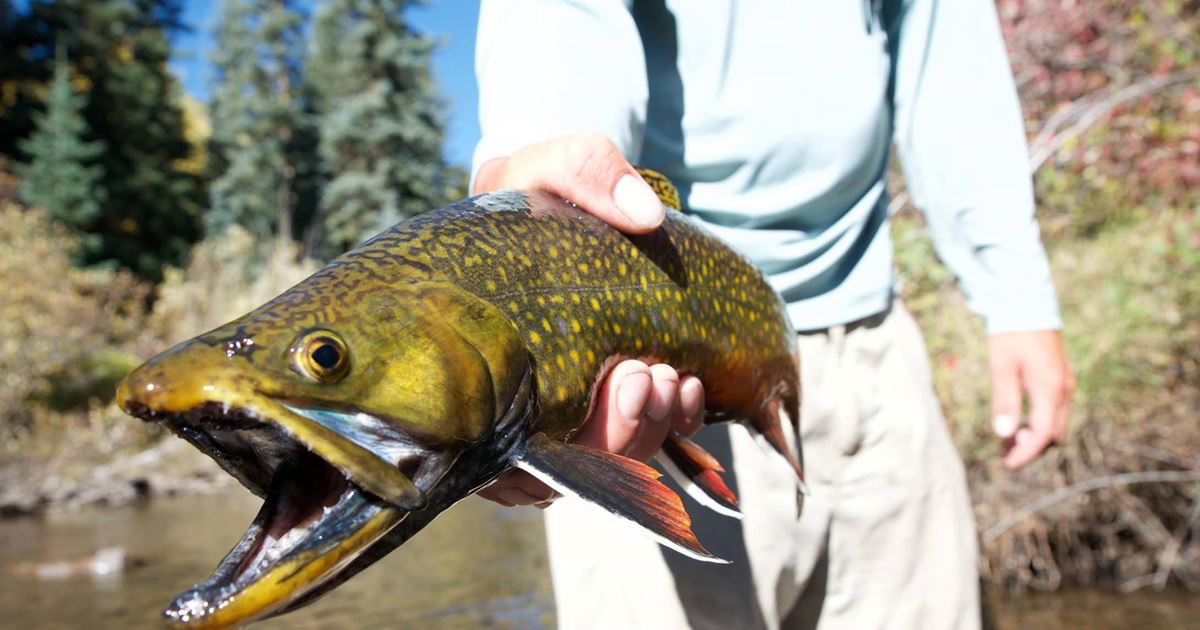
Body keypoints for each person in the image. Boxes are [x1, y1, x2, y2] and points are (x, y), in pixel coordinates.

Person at [470, 1, 1075, 629]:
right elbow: (556, 25)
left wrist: (1018, 299)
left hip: (875, 348)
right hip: (652, 383)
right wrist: (535, 175)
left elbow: (942, 50)